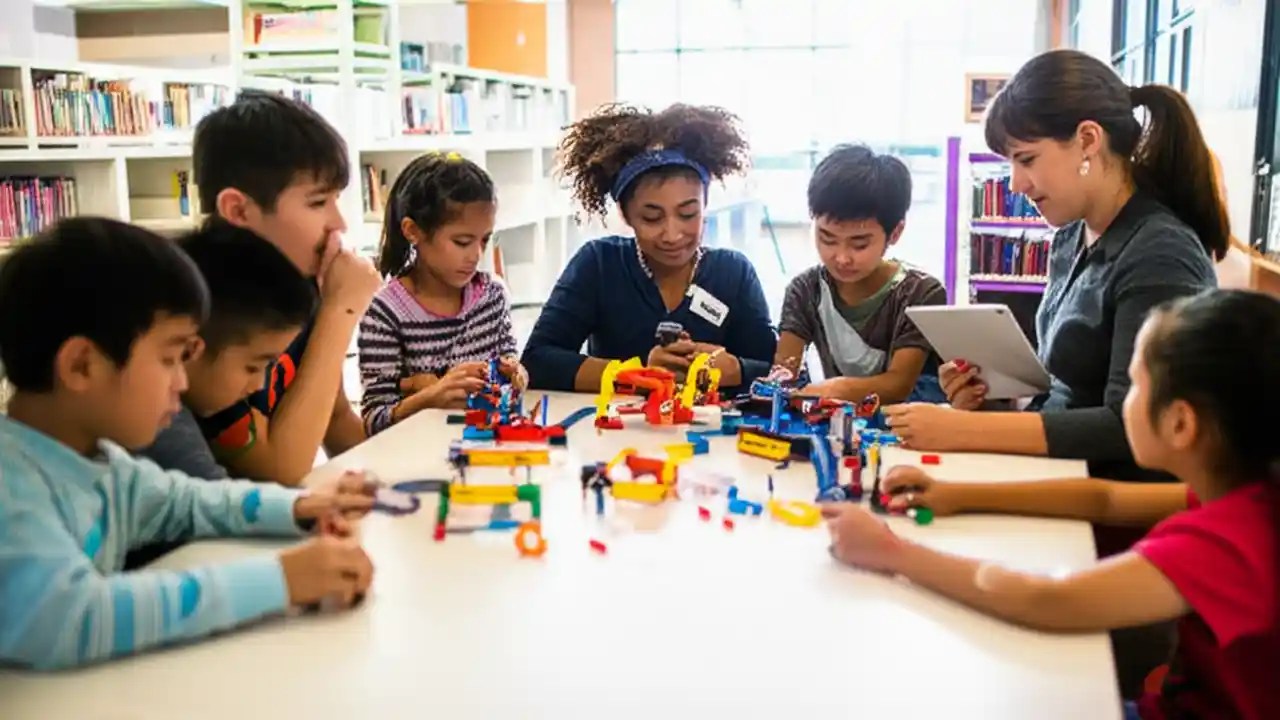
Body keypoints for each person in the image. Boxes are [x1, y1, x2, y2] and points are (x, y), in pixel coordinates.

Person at [823, 289, 1278, 720]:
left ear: (1181, 423)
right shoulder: (1246, 495)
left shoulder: (1225, 543)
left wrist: (890, 551)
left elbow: (1050, 599)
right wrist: (958, 495)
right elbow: (1105, 498)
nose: (1123, 400)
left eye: (1135, 384)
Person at [0, 218, 376, 670]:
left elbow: (190, 503)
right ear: (82, 365)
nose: (182, 381)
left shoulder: (106, 464)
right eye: (169, 358)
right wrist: (281, 581)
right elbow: (71, 617)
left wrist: (299, 509)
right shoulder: (12, 483)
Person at [882, 49, 1225, 484]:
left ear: (1087, 140)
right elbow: (1063, 395)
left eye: (1026, 159)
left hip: (1111, 501)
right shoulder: (1070, 236)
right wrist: (991, 397)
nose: (1015, 183)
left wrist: (967, 428)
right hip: (1058, 478)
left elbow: (1129, 427)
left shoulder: (1160, 253)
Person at [520, 103, 777, 393]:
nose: (672, 234)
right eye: (652, 217)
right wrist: (636, 374)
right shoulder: (599, 264)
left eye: (688, 214)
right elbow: (537, 361)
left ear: (705, 205)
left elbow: (781, 373)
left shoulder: (733, 272)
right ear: (625, 214)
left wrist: (735, 370)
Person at [192, 91, 381, 484]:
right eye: (317, 203)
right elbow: (277, 472)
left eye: (336, 199)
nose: (339, 223)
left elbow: (335, 418)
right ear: (238, 210)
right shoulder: (210, 309)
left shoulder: (301, 282)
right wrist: (341, 311)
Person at [358, 152, 525, 435]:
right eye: (462, 242)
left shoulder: (492, 296)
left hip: (487, 447)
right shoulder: (385, 314)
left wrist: (517, 375)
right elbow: (374, 421)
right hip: (420, 458)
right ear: (413, 231)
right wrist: (431, 398)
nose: (476, 255)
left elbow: (511, 369)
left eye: (484, 239)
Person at [137, 222, 317, 481]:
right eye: (253, 367)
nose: (258, 385)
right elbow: (225, 510)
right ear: (191, 348)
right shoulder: (163, 421)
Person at [776, 144, 947, 403]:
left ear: (895, 233)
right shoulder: (805, 290)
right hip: (839, 430)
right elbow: (784, 371)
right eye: (827, 238)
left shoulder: (920, 293)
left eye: (859, 244)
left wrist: (835, 389)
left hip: (912, 431)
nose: (842, 257)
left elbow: (897, 384)